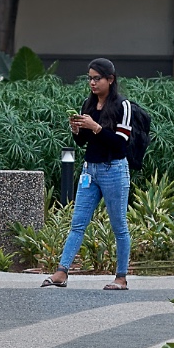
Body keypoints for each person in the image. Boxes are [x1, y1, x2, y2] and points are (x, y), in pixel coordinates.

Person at [42, 57, 132, 290]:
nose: (92, 83)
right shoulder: (88, 105)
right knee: (77, 223)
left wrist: (96, 127)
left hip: (114, 170)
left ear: (110, 80)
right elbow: (84, 142)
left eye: (97, 78)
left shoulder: (123, 106)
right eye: (90, 79)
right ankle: (62, 272)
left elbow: (121, 144)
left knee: (119, 226)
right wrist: (77, 130)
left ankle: (121, 277)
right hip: (90, 170)